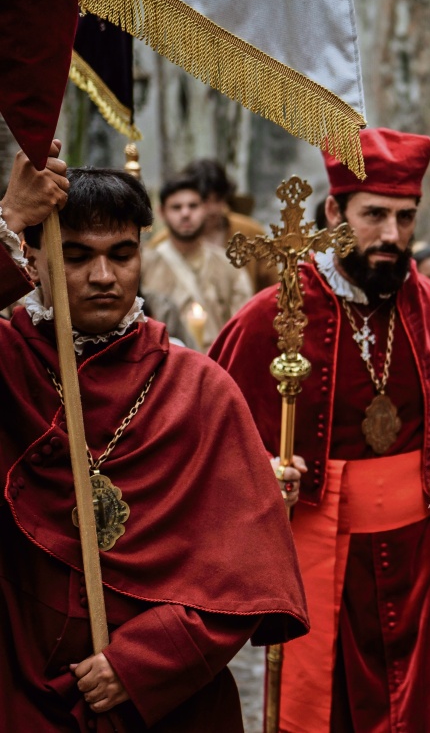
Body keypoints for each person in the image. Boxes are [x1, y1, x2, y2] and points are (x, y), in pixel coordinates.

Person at [0, 147, 308, 731]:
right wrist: (8, 215)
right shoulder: (8, 365)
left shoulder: (198, 388)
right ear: (31, 259)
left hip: (165, 704)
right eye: (76, 256)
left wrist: (142, 663)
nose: (102, 277)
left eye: (122, 254)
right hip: (15, 680)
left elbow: (248, 573)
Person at [211, 127, 430, 733]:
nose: (393, 237)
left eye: (406, 216)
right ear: (333, 211)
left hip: (429, 568)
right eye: (374, 215)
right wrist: (263, 482)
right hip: (322, 568)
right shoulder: (271, 318)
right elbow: (212, 443)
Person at [141, 172, 253, 349]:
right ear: (162, 212)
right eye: (176, 207)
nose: (185, 213)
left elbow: (244, 322)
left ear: (205, 209)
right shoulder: (145, 264)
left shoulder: (229, 264)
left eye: (193, 206)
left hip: (218, 362)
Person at [150, 158, 276, 292]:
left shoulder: (252, 234)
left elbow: (273, 290)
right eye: (205, 200)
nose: (213, 209)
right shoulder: (161, 245)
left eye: (218, 199)